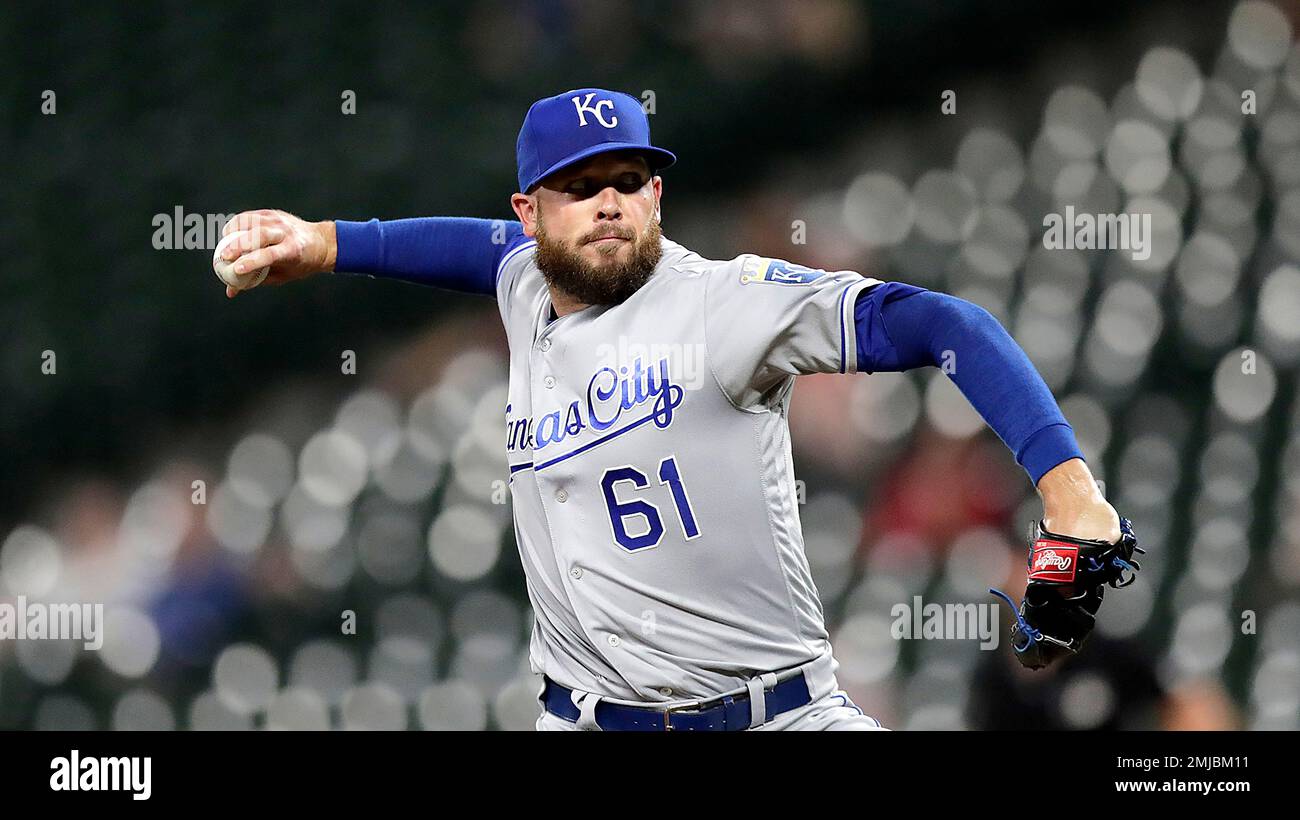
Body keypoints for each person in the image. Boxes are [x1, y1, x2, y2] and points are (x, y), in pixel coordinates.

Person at [215, 87, 1126, 731]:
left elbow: (944, 322)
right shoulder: (525, 285)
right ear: (531, 215)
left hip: (776, 714)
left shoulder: (725, 304)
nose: (609, 202)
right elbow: (466, 248)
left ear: (658, 194)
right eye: (581, 186)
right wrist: (328, 243)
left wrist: (1067, 488)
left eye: (629, 179)